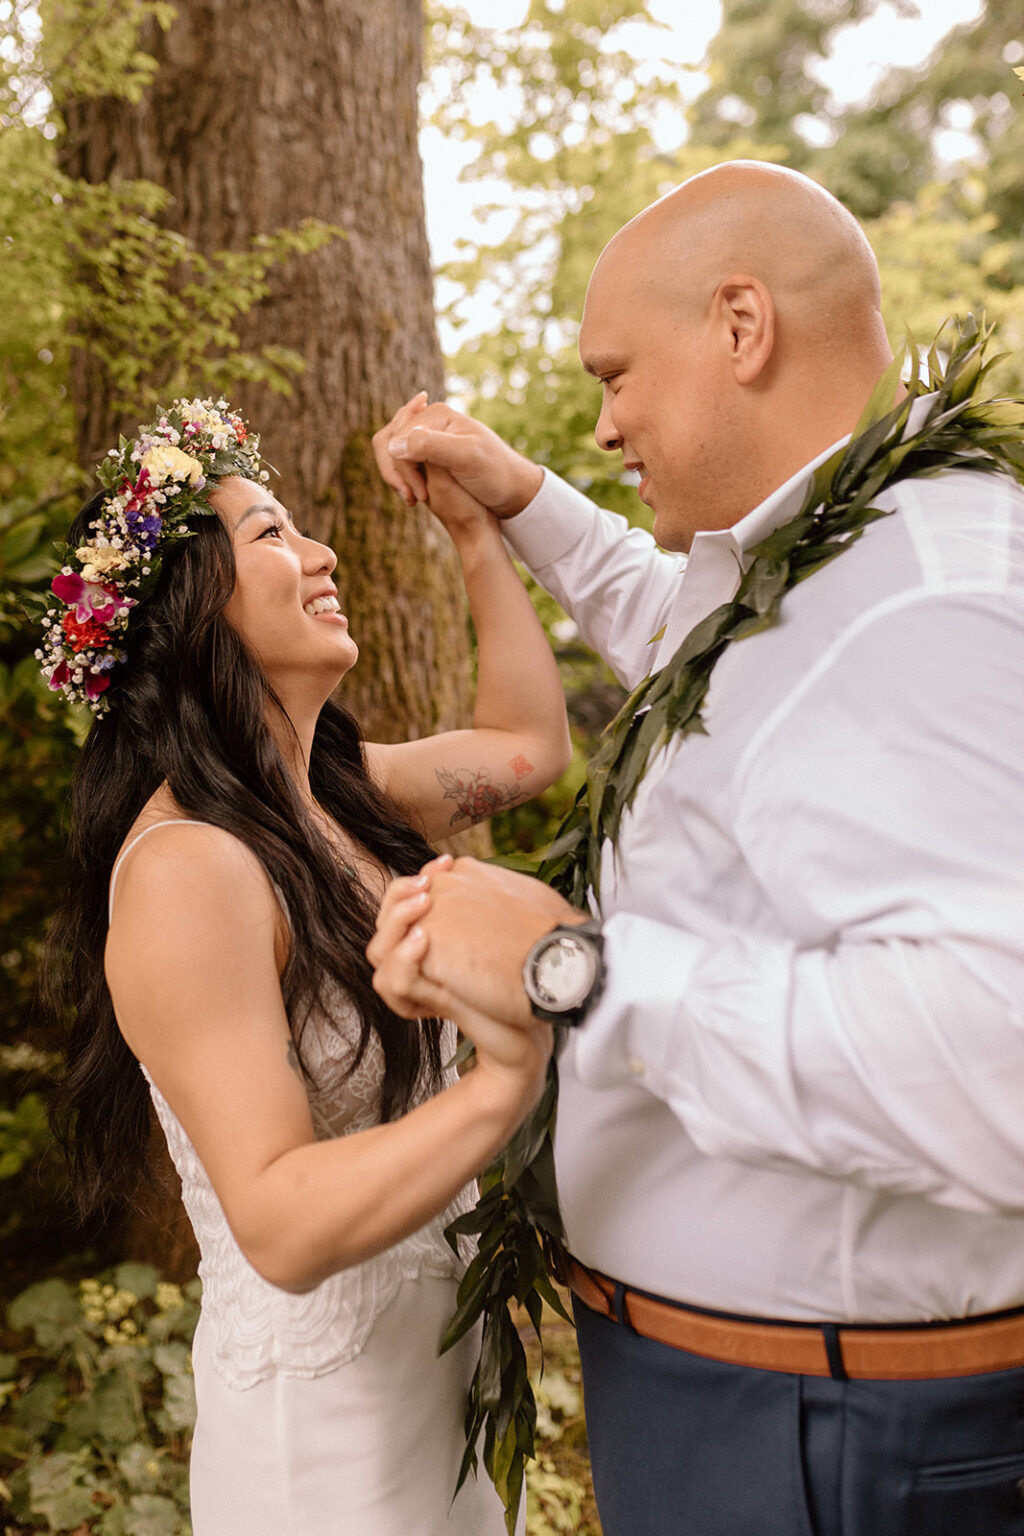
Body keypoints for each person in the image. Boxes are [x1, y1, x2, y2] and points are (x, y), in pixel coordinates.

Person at [368, 161, 1024, 1536]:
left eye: (617, 375)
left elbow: (996, 1059)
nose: (606, 421)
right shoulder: (833, 567)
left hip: (828, 1439)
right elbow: (701, 638)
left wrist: (573, 974)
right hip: (739, 1395)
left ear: (741, 327)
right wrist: (521, 496)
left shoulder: (922, 610)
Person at [42, 393, 568, 1535]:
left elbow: (531, 748)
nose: (321, 552)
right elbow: (276, 1221)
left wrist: (478, 535)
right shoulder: (188, 871)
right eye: (272, 533)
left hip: (438, 1388)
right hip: (324, 1449)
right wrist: (506, 1073)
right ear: (191, 614)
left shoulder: (335, 797)